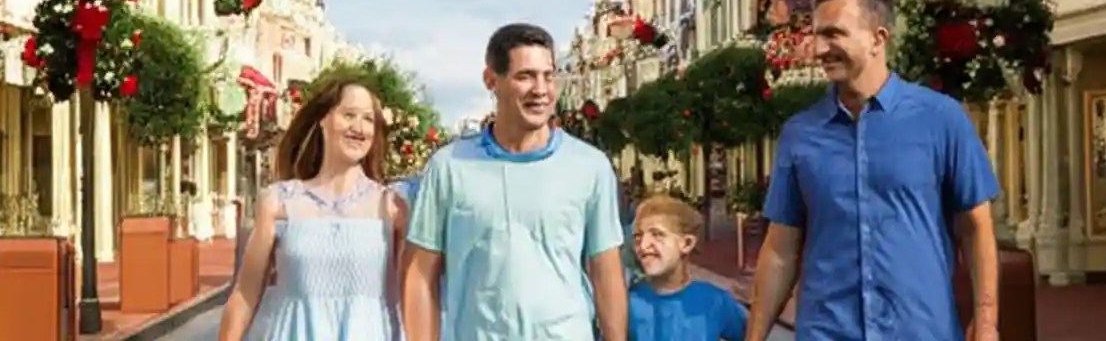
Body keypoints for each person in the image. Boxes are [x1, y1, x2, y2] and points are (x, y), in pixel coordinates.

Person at [745, 0, 1000, 341]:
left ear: (878, 39)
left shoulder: (941, 119)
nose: (819, 48)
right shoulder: (800, 135)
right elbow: (781, 250)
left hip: (921, 331)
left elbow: (976, 227)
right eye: (816, 35)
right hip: (827, 332)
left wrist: (987, 321)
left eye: (833, 34)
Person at [402, 22, 628, 341]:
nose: (541, 90)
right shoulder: (448, 167)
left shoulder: (590, 167)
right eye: (525, 76)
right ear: (491, 80)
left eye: (548, 76)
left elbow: (606, 272)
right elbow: (420, 275)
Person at [217, 79, 407, 341]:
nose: (359, 127)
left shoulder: (392, 207)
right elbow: (245, 293)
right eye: (349, 115)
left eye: (368, 119)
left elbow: (413, 297)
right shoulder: (279, 202)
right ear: (323, 120)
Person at [628, 194, 747, 341]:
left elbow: (751, 333)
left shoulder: (715, 301)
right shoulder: (627, 303)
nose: (644, 245)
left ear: (687, 243)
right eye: (638, 237)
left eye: (657, 234)